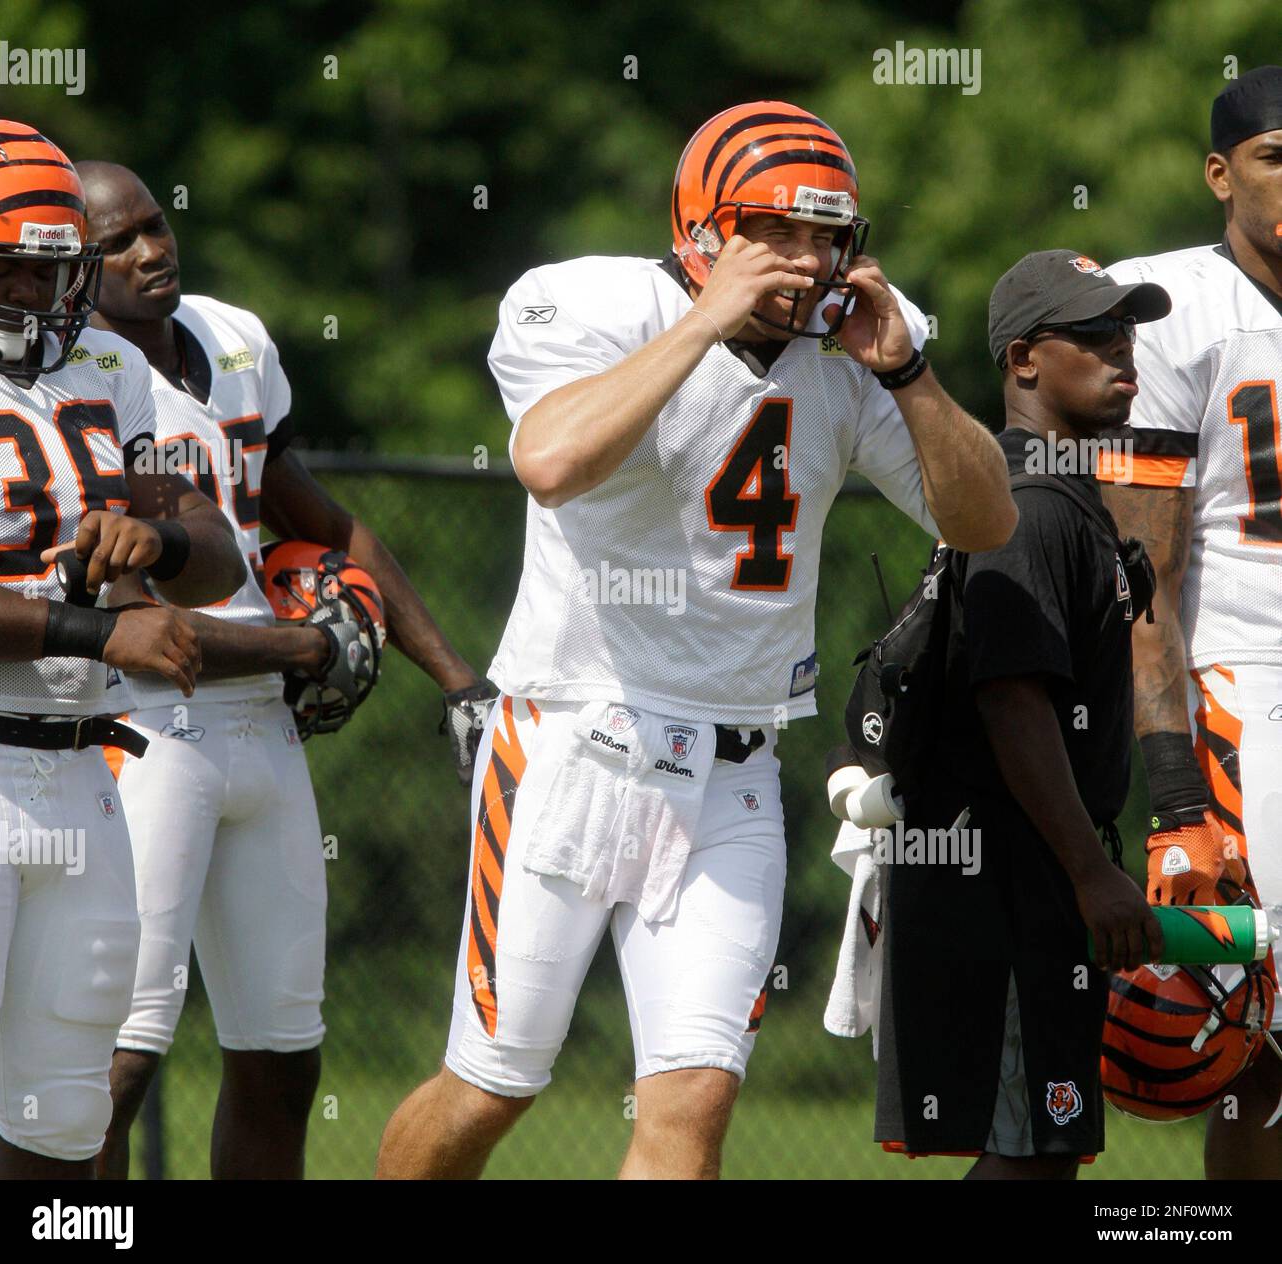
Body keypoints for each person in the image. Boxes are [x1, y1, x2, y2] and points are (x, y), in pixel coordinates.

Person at [376, 100, 1017, 1181]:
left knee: (694, 1104)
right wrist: (700, 325)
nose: (810, 260)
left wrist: (906, 376)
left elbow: (982, 523)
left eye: (829, 235)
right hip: (573, 744)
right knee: (491, 1085)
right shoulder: (604, 304)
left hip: (735, 774)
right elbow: (551, 462)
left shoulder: (851, 346)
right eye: (780, 231)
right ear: (705, 232)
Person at [75, 161, 493, 1180]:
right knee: (115, 1067)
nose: (152, 249)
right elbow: (128, 623)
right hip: (144, 732)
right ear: (74, 277)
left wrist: (456, 678)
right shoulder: (72, 381)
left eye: (156, 225)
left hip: (263, 736)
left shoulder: (235, 339)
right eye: (118, 243)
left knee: (281, 1060)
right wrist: (310, 646)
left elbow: (319, 518)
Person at [0, 121, 246, 1179]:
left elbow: (214, 553)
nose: (43, 297)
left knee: (63, 1123)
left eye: (59, 269)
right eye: (13, 268)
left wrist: (161, 536)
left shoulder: (105, 363)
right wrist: (98, 626)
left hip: (85, 778)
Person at [874, 250, 1170, 1178]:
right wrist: (1090, 874)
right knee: (1028, 1160)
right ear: (1024, 361)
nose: (1122, 350)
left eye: (1125, 328)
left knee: (1042, 1157)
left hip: (1030, 869)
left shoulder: (1050, 489)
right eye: (1092, 332)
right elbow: (1013, 704)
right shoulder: (1032, 504)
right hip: (1005, 873)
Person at [1099, 65, 1282, 1180]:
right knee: (1254, 1049)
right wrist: (1175, 797)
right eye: (1276, 155)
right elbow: (1141, 583)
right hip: (1244, 694)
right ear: (1219, 175)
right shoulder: (1173, 310)